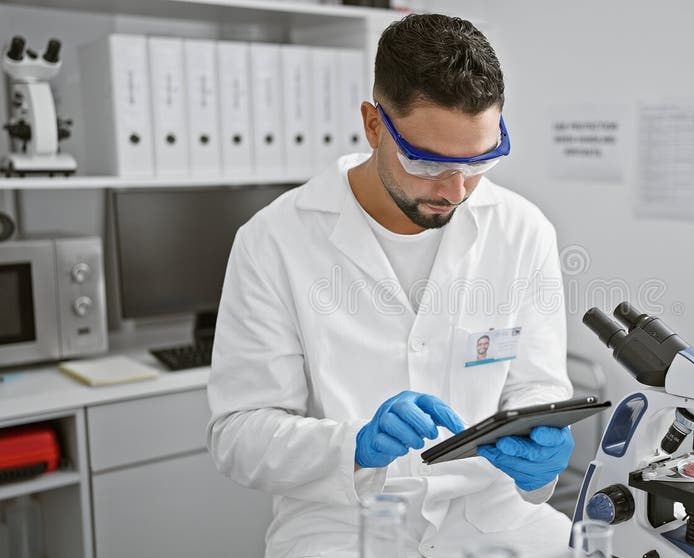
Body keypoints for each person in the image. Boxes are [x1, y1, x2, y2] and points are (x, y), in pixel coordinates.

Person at [206, 13, 575, 558]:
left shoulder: (522, 230)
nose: (456, 190)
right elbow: (237, 434)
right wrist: (351, 446)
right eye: (427, 162)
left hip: (492, 518)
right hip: (342, 524)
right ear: (374, 125)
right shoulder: (273, 240)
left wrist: (543, 449)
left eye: (480, 161)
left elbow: (537, 389)